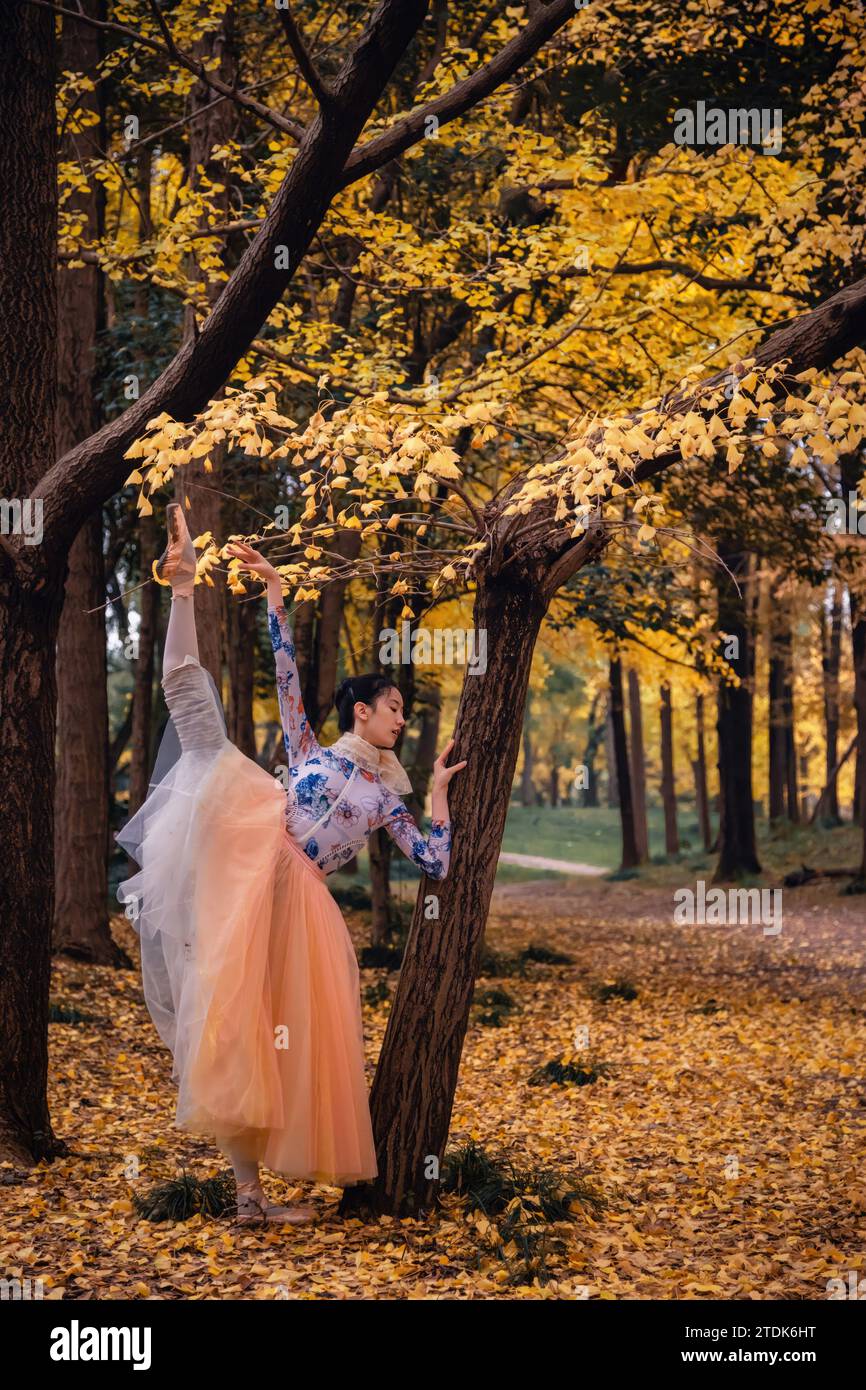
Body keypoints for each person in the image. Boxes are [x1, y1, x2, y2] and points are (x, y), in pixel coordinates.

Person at [116, 503, 466, 1226]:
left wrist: (435, 796)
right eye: (393, 706)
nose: (401, 719)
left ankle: (253, 1200)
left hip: (297, 902)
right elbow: (285, 670)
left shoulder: (385, 796)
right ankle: (181, 584)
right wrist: (275, 591)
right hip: (252, 840)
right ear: (361, 711)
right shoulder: (309, 748)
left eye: (404, 710)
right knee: (191, 697)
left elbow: (435, 863)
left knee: (260, 1033)